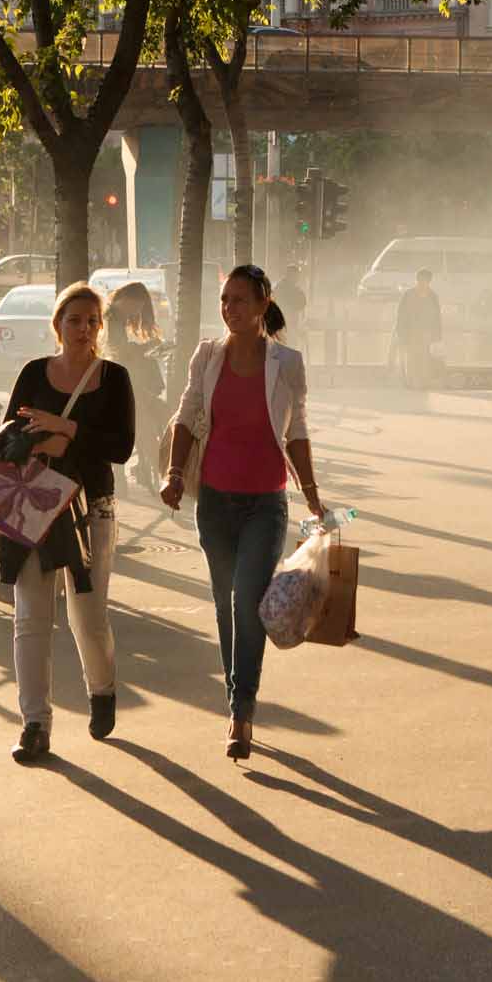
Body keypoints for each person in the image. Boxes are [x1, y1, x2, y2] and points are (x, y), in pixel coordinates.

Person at [162, 266, 324, 761]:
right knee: (224, 603)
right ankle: (240, 698)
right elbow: (187, 415)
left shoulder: (287, 362)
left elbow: (296, 429)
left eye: (239, 301)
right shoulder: (208, 356)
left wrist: (311, 492)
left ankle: (242, 709)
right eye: (224, 300)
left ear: (262, 304)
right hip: (214, 502)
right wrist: (172, 473)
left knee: (248, 600)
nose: (230, 309)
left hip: (266, 503)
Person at [2, 284, 135, 763]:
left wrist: (65, 432)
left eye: (92, 321)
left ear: (101, 327)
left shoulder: (113, 378)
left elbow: (121, 447)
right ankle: (35, 724)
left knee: (88, 614)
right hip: (34, 504)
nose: (83, 329)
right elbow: (9, 433)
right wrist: (40, 444)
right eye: (74, 320)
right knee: (31, 619)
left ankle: (102, 690)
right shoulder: (34, 373)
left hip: (91, 508)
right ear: (57, 324)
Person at [105, 281, 166, 489]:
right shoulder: (111, 318)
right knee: (145, 424)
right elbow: (118, 351)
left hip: (122, 382)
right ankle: (159, 473)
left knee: (142, 424)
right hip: (118, 385)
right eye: (135, 307)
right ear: (127, 299)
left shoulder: (115, 318)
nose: (135, 313)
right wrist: (147, 347)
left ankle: (128, 476)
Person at [394, 268, 443, 388]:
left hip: (426, 334)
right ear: (417, 280)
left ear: (429, 281)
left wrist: (437, 336)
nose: (422, 283)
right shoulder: (408, 295)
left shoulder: (433, 296)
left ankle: (423, 383)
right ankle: (411, 383)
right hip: (410, 333)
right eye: (420, 280)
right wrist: (401, 334)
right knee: (411, 359)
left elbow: (437, 317)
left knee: (425, 360)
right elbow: (400, 315)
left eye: (425, 280)